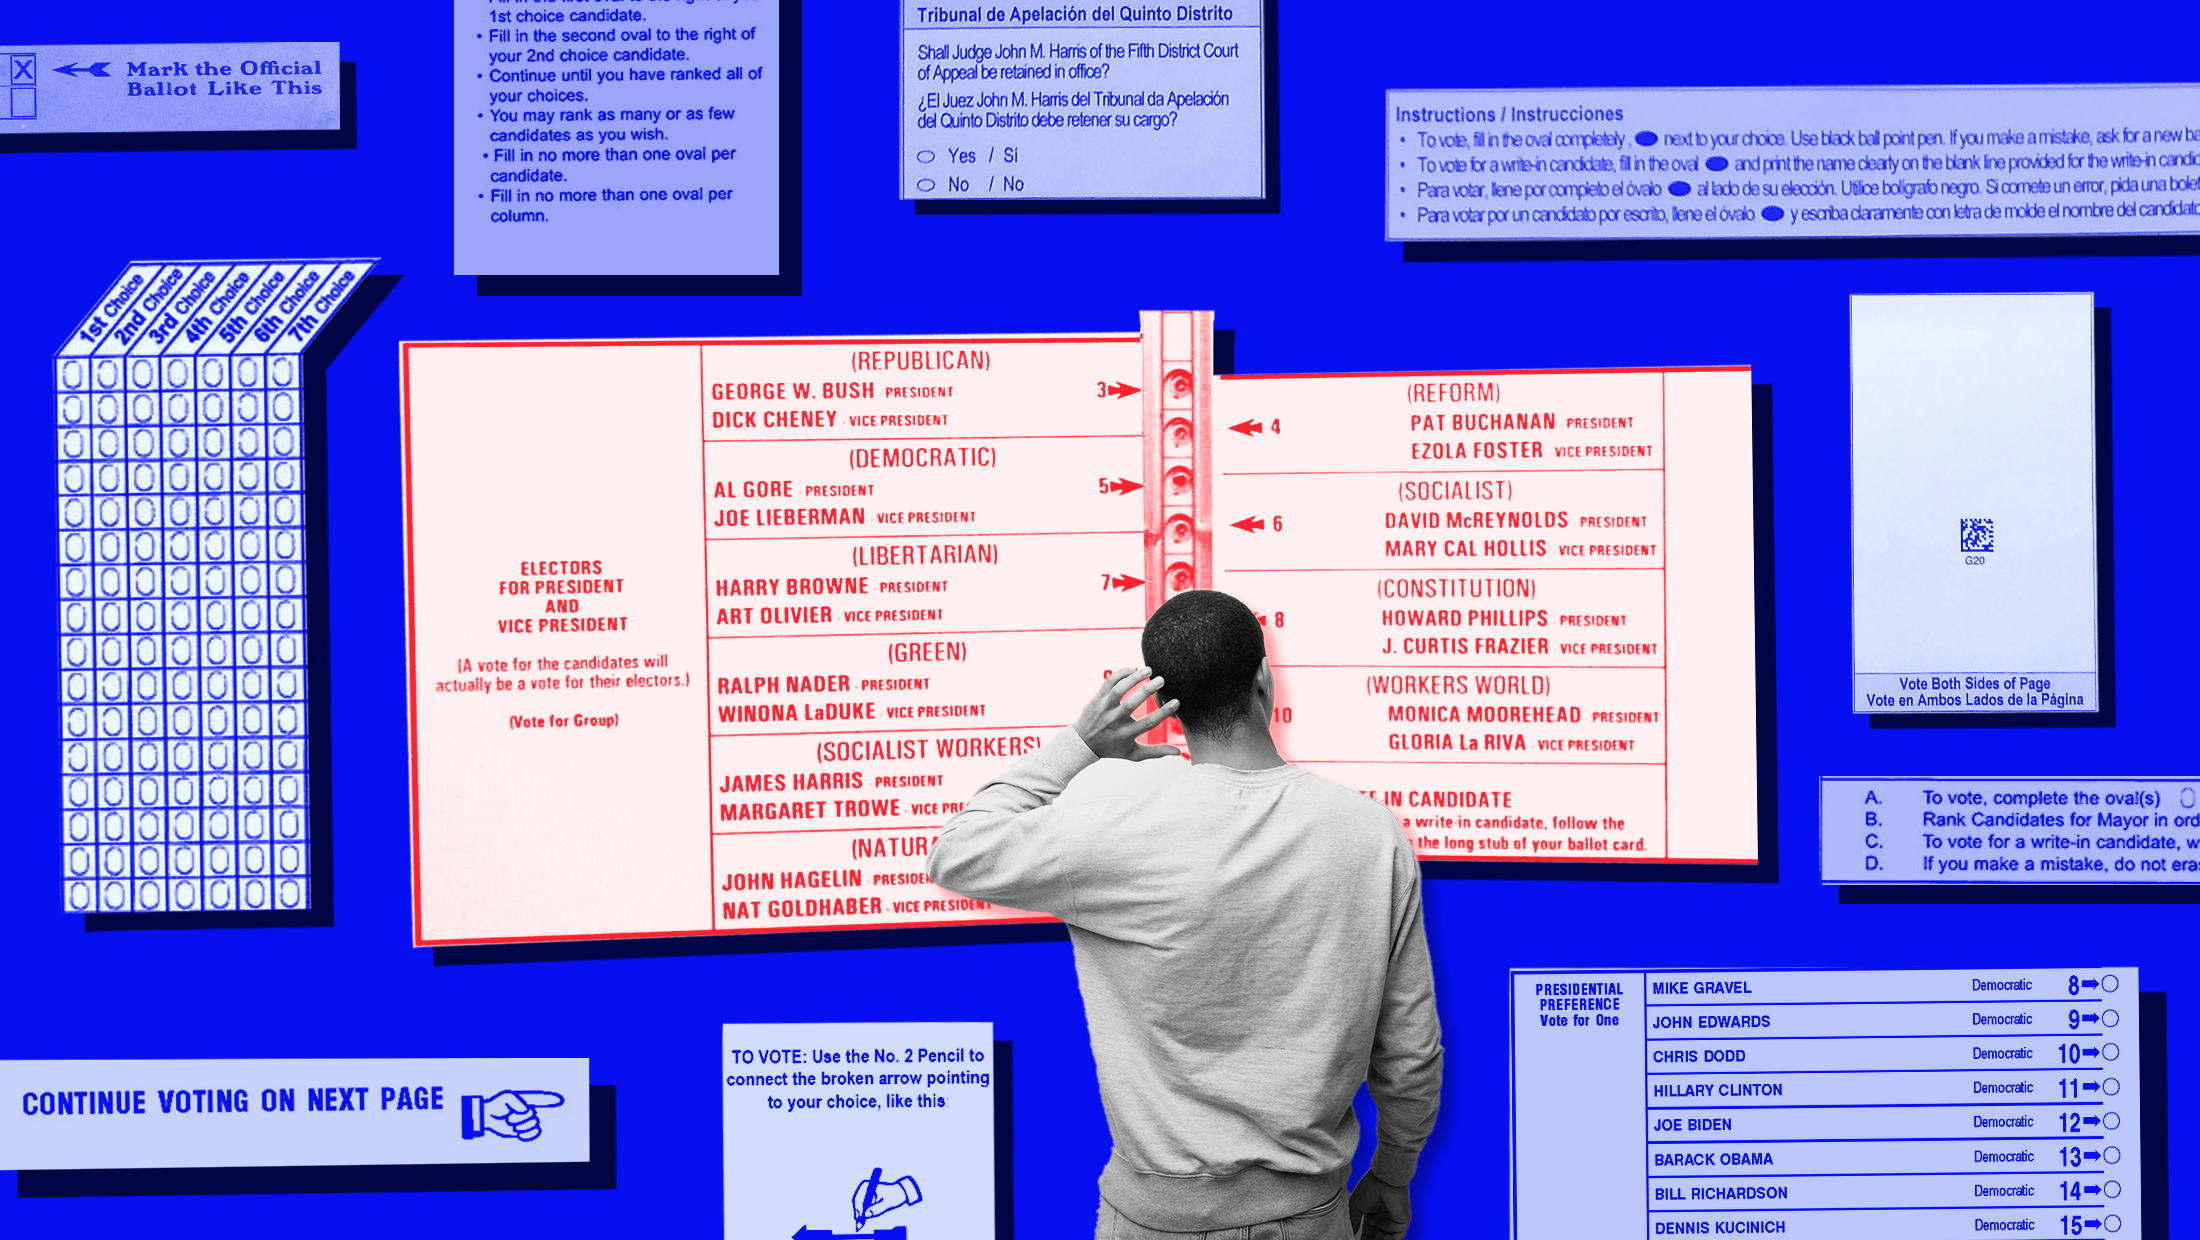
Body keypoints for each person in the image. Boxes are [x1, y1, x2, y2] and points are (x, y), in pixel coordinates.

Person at [928, 590, 1443, 1239]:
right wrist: (1393, 1172)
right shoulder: (1368, 832)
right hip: (1308, 1218)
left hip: (1147, 1220)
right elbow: (1410, 1050)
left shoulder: (1110, 819)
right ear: (1263, 677)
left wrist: (1081, 745)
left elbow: (957, 851)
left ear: (1168, 704)